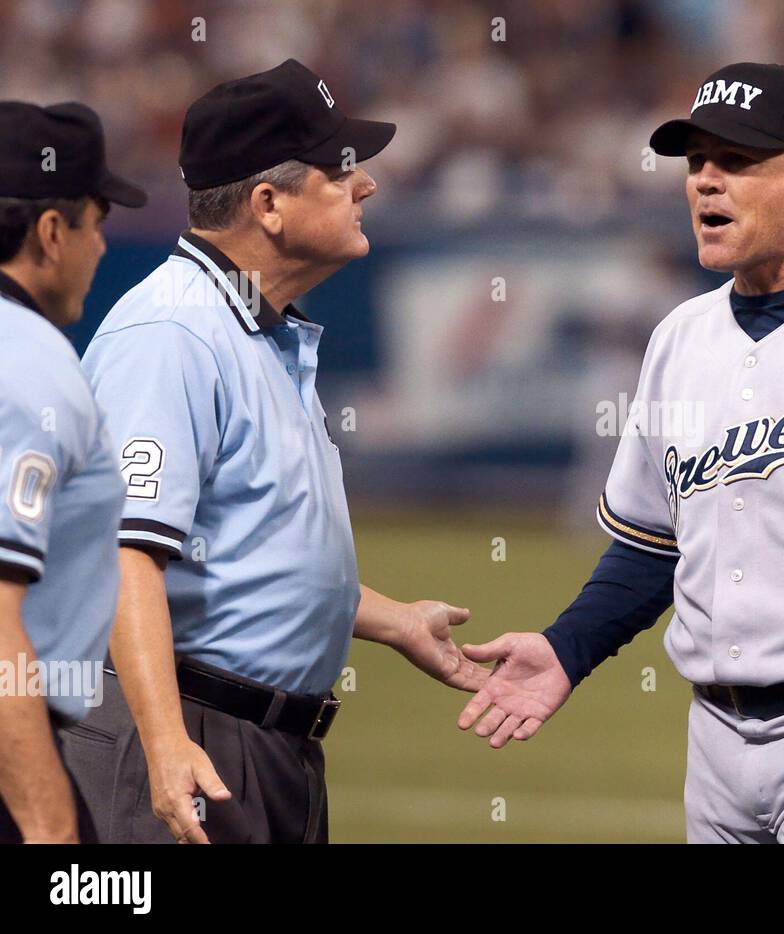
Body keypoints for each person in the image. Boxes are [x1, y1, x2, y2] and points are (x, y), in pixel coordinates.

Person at [457, 63, 784, 843]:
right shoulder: (680, 337)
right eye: (696, 162)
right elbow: (650, 543)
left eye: (737, 162)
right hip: (712, 742)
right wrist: (567, 648)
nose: (706, 183)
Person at [62, 60, 486, 844]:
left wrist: (392, 621)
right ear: (269, 204)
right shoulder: (173, 333)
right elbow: (123, 554)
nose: (367, 187)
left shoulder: (253, 327)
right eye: (341, 172)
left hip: (257, 744)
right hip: (184, 731)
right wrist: (163, 744)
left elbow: (247, 548)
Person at [0, 101, 147, 843]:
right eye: (96, 221)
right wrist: (50, 827)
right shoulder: (27, 362)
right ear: (52, 233)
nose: (102, 245)